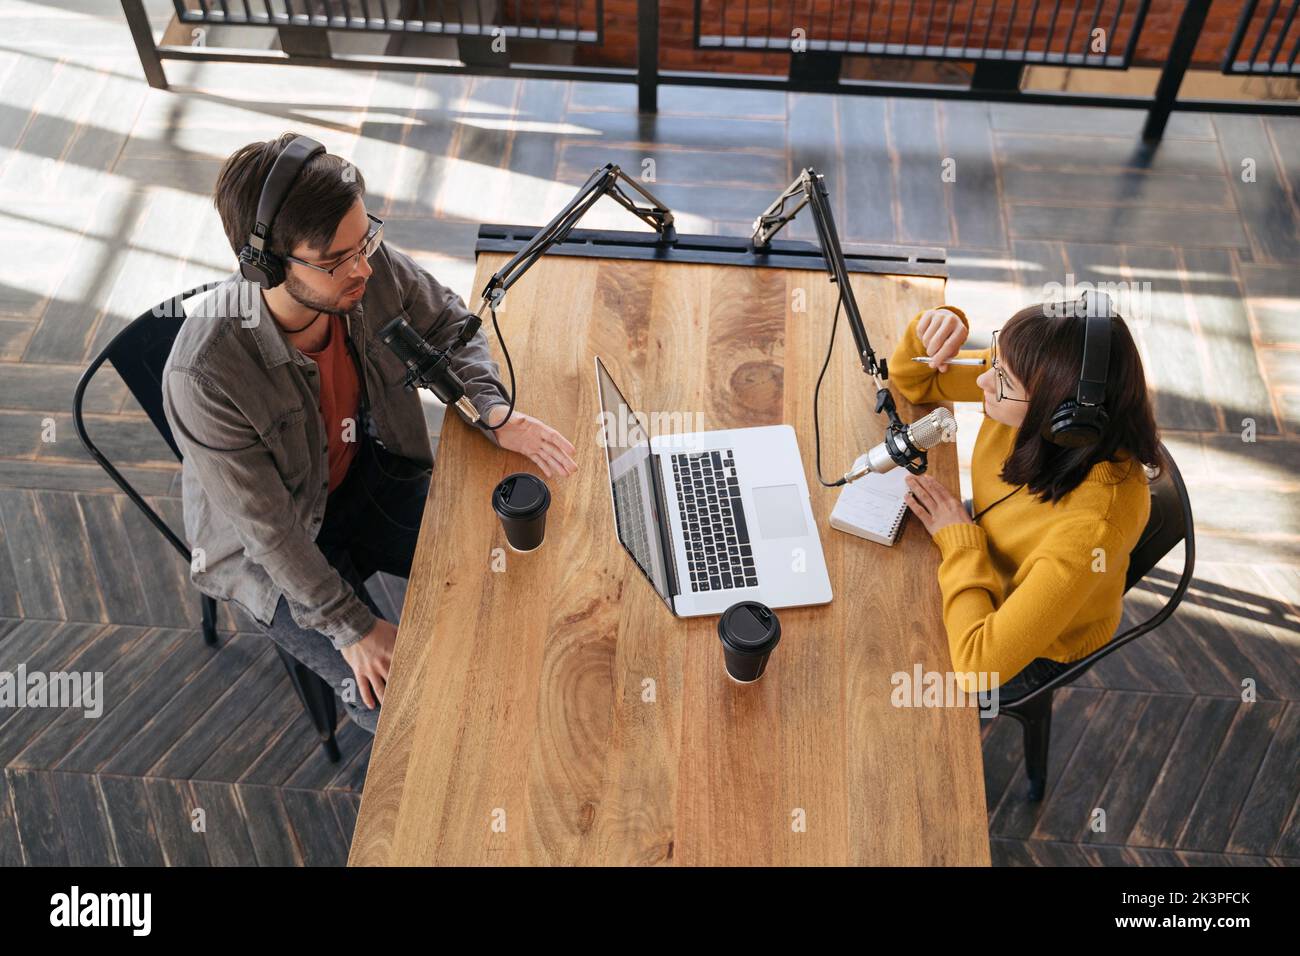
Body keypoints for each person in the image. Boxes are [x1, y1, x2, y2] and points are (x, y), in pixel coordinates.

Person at [162, 133, 578, 733]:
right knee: (395, 705)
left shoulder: (363, 272)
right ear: (266, 265)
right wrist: (351, 626)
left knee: (508, 559)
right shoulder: (205, 375)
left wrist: (490, 410)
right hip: (265, 548)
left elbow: (447, 324)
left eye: (367, 241)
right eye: (336, 260)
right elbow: (273, 535)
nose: (363, 268)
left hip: (362, 474)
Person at [886, 301, 1161, 699]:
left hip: (1034, 651)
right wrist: (934, 328)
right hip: (983, 551)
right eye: (995, 362)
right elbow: (916, 381)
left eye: (1002, 380)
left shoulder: (1093, 528)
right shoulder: (1022, 383)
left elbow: (979, 668)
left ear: (1062, 419)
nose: (983, 381)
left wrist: (961, 542)